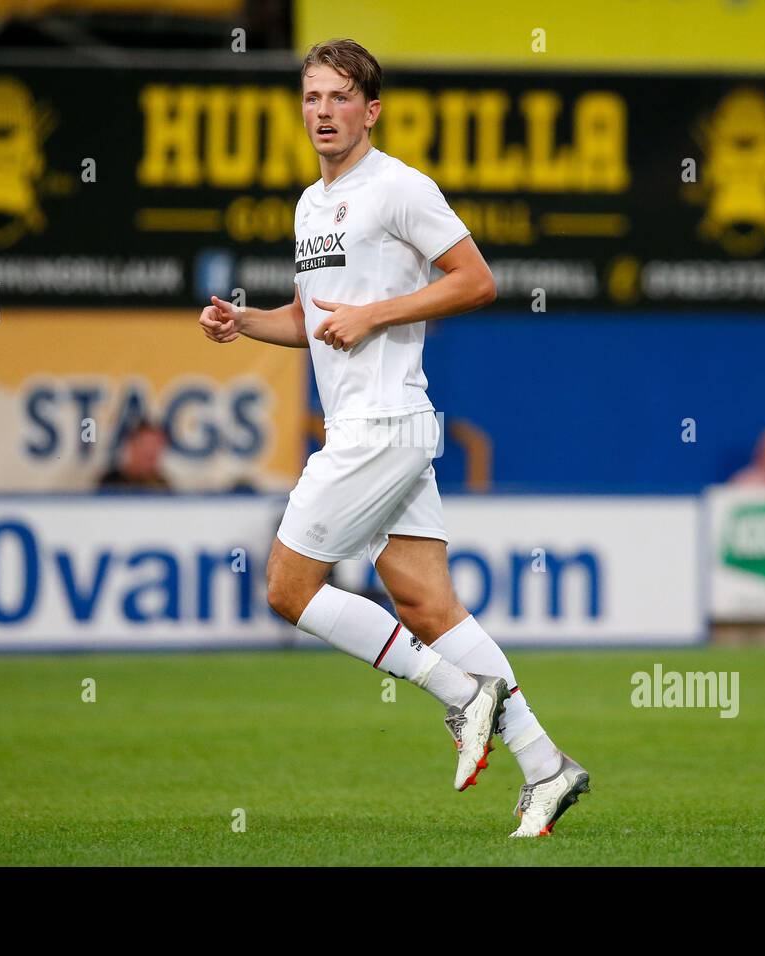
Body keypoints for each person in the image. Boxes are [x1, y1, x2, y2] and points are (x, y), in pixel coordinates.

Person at [197, 39, 587, 837]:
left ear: (369, 110)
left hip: (381, 424)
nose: (323, 113)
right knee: (423, 599)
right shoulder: (311, 205)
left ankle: (459, 693)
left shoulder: (400, 188)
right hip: (376, 427)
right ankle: (548, 767)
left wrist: (375, 314)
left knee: (286, 588)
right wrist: (246, 323)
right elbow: (312, 320)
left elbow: (477, 280)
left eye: (340, 98)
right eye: (312, 98)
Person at [98, 420, 172, 491]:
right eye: (146, 445)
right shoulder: (111, 483)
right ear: (132, 445)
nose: (151, 454)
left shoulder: (162, 485)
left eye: (156, 447)